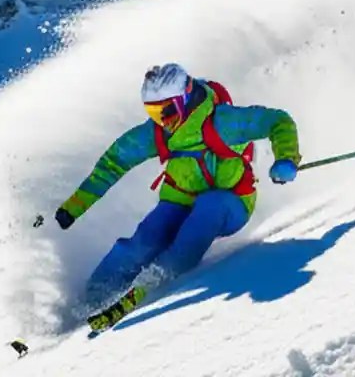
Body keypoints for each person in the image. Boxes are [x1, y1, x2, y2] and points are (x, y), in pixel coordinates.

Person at [53, 63, 301, 331]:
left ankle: (160, 273)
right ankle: (89, 301)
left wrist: (286, 158)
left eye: (167, 110)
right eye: (153, 112)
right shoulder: (159, 132)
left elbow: (278, 120)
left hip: (231, 202)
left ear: (185, 99)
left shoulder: (223, 122)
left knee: (208, 208)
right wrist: (74, 207)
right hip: (181, 200)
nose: (162, 120)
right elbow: (114, 163)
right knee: (146, 238)